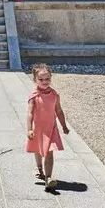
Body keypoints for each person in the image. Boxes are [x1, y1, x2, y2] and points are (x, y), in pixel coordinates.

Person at [26, 62, 70, 192]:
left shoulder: (54, 95)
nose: (45, 82)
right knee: (38, 149)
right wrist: (29, 129)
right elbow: (29, 113)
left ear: (51, 77)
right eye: (41, 79)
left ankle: (49, 178)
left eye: (47, 79)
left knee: (49, 152)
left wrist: (64, 125)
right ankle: (39, 168)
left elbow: (59, 111)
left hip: (51, 129)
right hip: (38, 129)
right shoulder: (34, 96)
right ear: (35, 80)